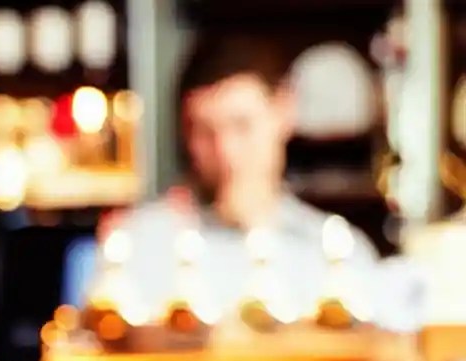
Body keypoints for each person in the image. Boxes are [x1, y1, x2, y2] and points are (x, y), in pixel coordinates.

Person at [97, 36, 380, 324]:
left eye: (242, 125)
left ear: (284, 111)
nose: (226, 152)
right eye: (205, 132)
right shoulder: (140, 245)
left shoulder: (337, 252)